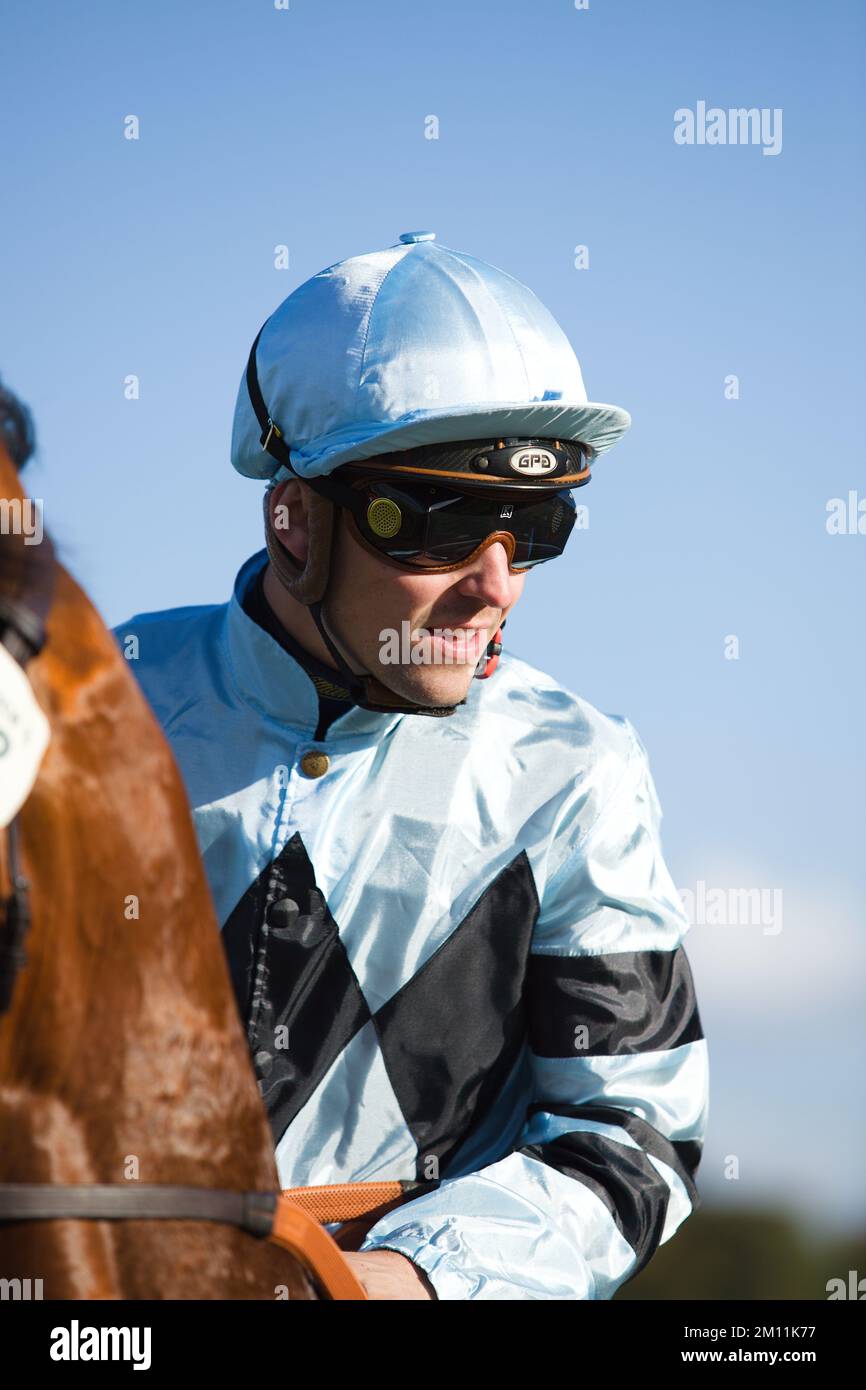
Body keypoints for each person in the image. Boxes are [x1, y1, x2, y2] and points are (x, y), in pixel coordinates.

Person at [114, 230, 709, 1301]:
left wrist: (378, 1285)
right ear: (294, 521)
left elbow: (632, 1136)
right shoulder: (87, 707)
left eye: (533, 527)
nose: (498, 587)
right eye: (436, 524)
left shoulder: (578, 768)